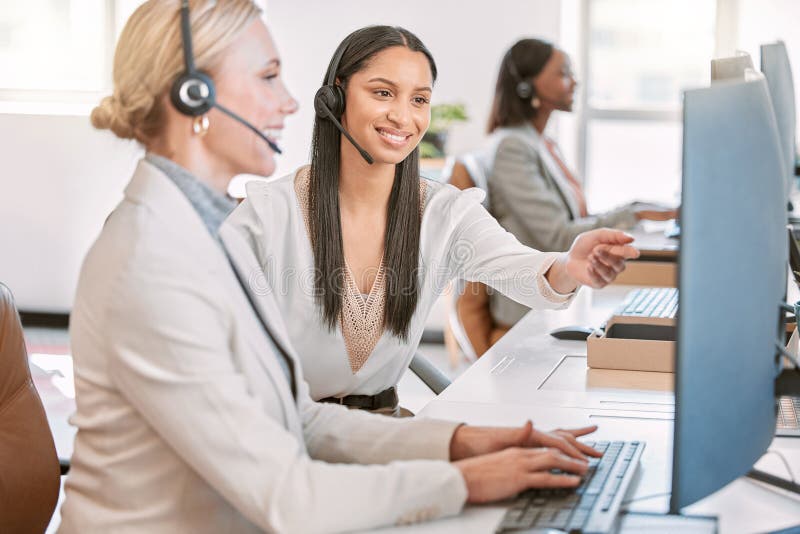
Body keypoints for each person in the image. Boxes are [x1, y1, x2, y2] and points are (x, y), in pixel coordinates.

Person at [59, 3, 609, 532]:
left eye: (419, 98)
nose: (294, 102)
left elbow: (297, 416)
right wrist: (464, 480)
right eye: (269, 76)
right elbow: (288, 496)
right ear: (193, 93)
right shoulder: (156, 260)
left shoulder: (206, 233)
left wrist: (468, 442)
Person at [223, 26, 639, 417]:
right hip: (280, 433)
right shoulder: (269, 212)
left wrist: (569, 266)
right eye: (383, 93)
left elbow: (522, 269)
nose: (403, 118)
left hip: (385, 430)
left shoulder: (442, 211)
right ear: (335, 97)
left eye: (419, 99)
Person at [449, 38, 678, 346]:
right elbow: (558, 237)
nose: (574, 82)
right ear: (527, 87)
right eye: (564, 73)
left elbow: (574, 219)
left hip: (558, 296)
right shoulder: (512, 147)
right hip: (531, 309)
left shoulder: (544, 143)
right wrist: (632, 214)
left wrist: (634, 209)